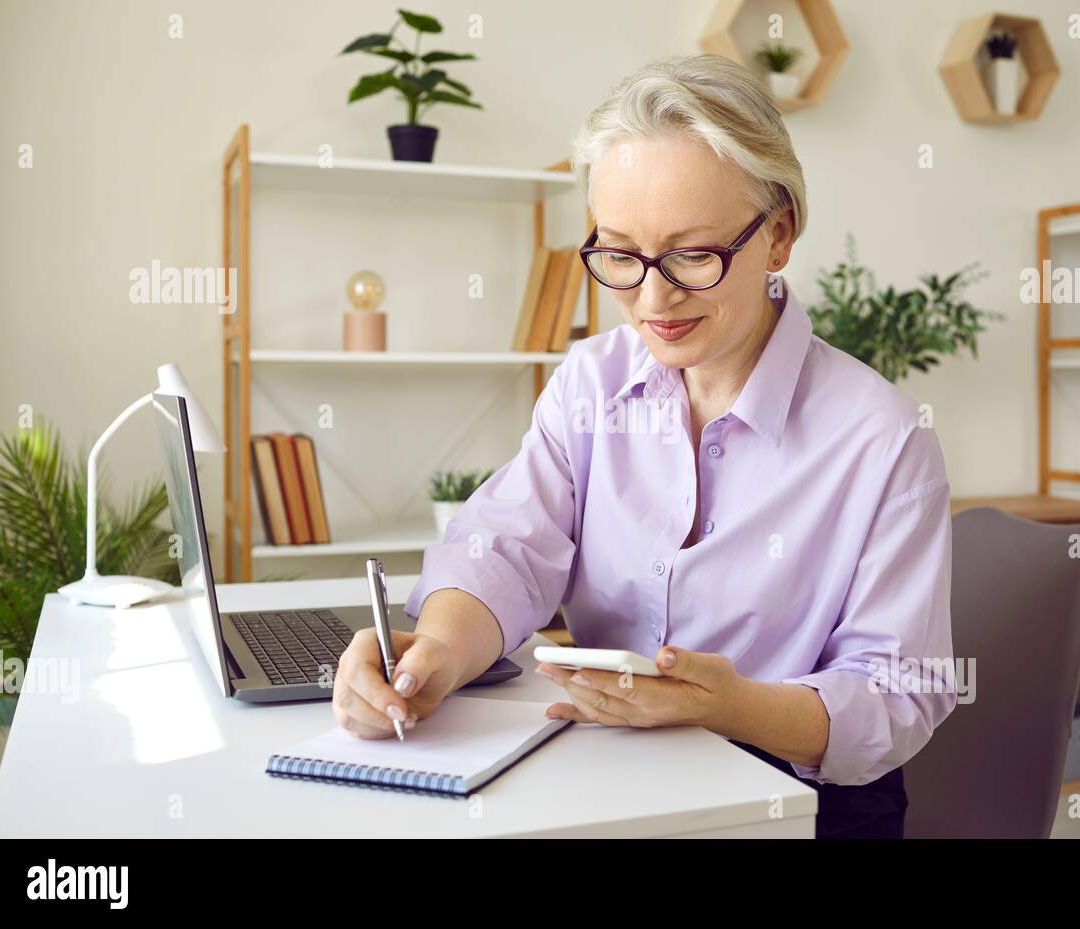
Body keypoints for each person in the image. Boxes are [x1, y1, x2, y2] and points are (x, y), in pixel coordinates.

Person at [333, 53, 956, 838]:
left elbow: (897, 695)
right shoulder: (592, 382)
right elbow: (506, 547)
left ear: (780, 235)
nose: (652, 298)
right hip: (615, 768)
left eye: (693, 254)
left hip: (798, 796)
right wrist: (431, 659)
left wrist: (733, 705)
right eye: (619, 255)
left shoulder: (883, 438)